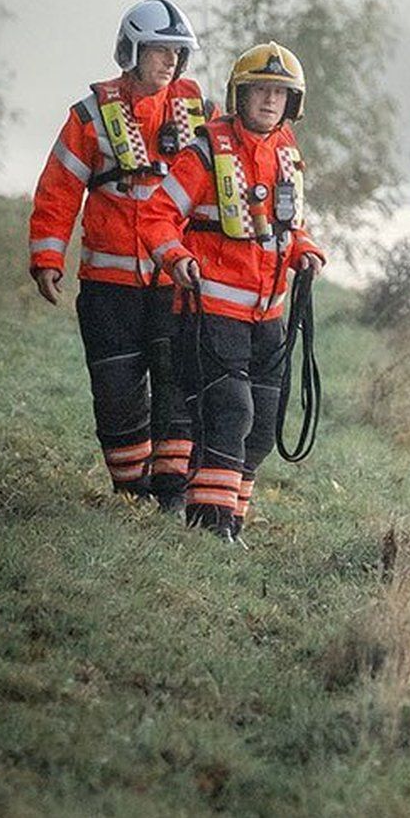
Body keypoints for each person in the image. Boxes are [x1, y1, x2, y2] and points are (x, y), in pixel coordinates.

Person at [29, 0, 216, 512]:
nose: (169, 62)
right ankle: (130, 492)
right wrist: (48, 257)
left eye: (177, 54)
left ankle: (173, 494)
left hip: (176, 285)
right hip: (109, 288)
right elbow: (59, 188)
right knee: (116, 391)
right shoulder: (90, 117)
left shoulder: (204, 118)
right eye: (159, 51)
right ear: (131, 51)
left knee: (178, 390)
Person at [138, 41, 325, 544]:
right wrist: (176, 259)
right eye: (260, 90)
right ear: (240, 96)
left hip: (268, 317)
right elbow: (156, 216)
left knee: (261, 428)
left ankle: (230, 523)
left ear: (292, 104)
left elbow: (289, 229)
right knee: (230, 413)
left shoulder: (287, 153)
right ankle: (209, 526)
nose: (269, 101)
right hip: (211, 313)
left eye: (279, 94)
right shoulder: (204, 153)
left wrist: (306, 250)